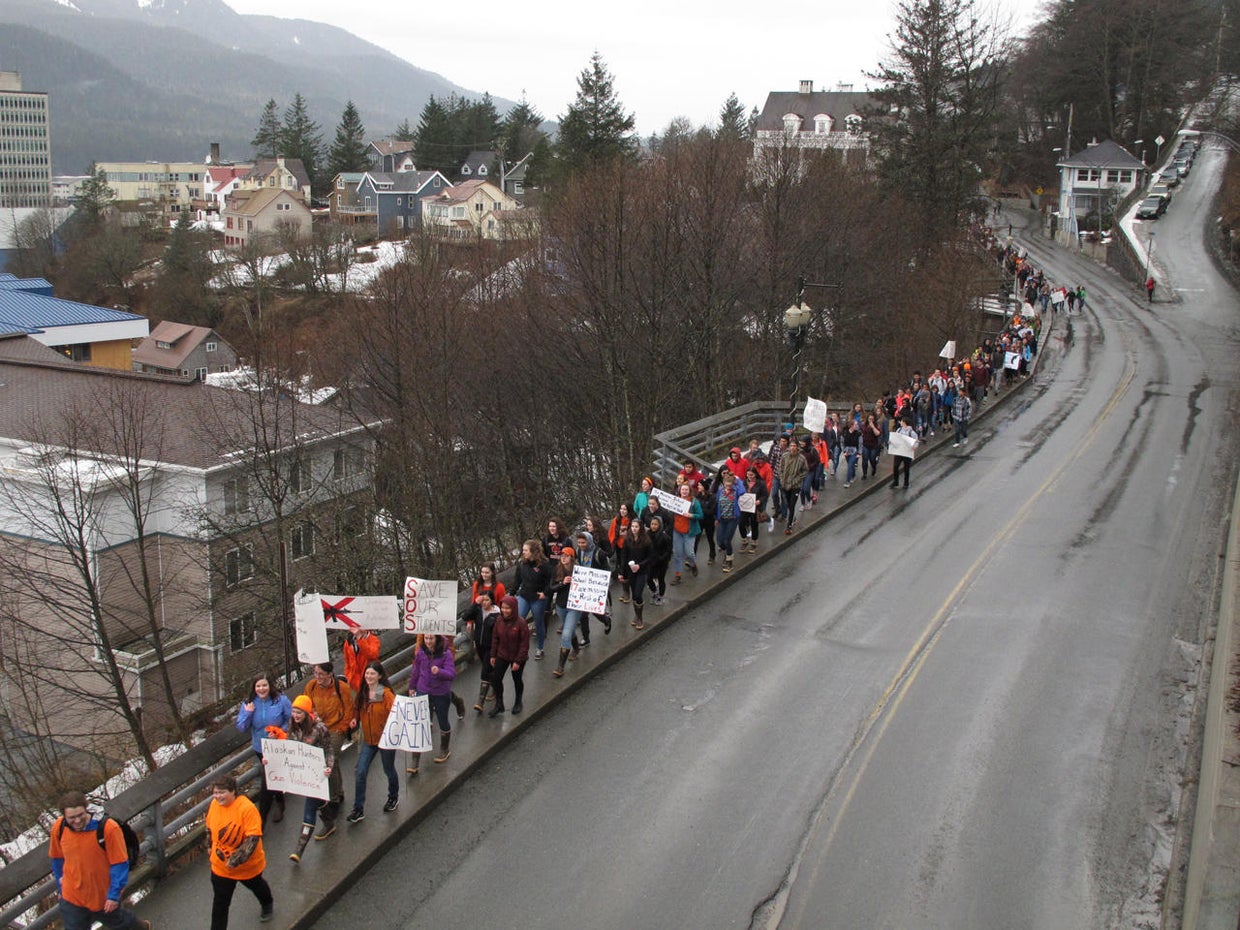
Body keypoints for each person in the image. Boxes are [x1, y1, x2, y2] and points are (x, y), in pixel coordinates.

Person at [49, 790, 151, 930]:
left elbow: (119, 863)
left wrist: (113, 896)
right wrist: (61, 888)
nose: (77, 821)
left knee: (122, 924)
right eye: (72, 817)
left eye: (80, 815)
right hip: (72, 896)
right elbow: (57, 859)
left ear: (87, 809)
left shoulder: (108, 828)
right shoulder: (59, 828)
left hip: (102, 895)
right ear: (64, 815)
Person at [204, 775, 273, 929]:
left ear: (233, 791)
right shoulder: (214, 805)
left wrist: (234, 861)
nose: (218, 796)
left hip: (246, 866)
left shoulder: (247, 809)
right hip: (220, 867)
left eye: (222, 792)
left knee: (256, 885)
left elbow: (252, 839)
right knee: (220, 903)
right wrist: (209, 845)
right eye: (215, 793)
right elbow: (209, 827)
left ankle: (267, 903)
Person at [282, 695, 336, 857]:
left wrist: (328, 767)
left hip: (316, 773)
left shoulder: (319, 729)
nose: (296, 715)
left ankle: (299, 850)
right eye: (294, 712)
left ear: (306, 713)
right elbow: (287, 747)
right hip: (302, 773)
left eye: (299, 712)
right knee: (319, 801)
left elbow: (329, 750)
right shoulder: (292, 727)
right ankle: (329, 823)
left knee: (309, 808)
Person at [235, 673, 292, 825]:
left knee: (267, 781)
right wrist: (248, 713)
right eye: (258, 686)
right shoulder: (249, 703)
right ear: (254, 688)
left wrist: (279, 731)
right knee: (273, 776)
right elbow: (241, 727)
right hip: (260, 747)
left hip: (277, 746)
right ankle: (280, 801)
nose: (262, 689)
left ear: (270, 686)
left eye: (264, 685)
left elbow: (290, 718)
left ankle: (261, 820)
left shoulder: (280, 700)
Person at [346, 661, 399, 823]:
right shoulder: (363, 693)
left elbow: (397, 714)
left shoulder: (386, 694)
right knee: (360, 772)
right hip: (369, 740)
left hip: (385, 740)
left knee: (388, 769)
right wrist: (355, 719)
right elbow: (356, 710)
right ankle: (358, 808)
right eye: (367, 673)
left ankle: (393, 796)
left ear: (380, 676)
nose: (369, 676)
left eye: (372, 674)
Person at [302, 662, 354, 824]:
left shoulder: (341, 689)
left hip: (335, 729)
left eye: (321, 674)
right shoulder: (311, 686)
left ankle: (333, 799)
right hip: (319, 729)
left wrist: (342, 729)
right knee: (332, 762)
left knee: (329, 762)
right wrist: (312, 718)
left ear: (329, 674)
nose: (317, 677)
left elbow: (349, 709)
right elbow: (306, 705)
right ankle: (338, 790)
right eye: (315, 673)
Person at [407, 634, 456, 771]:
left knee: (442, 720)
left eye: (431, 639)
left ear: (437, 639)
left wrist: (439, 672)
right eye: (426, 639)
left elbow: (451, 674)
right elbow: (416, 670)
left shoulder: (445, 654)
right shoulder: (421, 652)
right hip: (423, 691)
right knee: (420, 724)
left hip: (440, 692)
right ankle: (415, 760)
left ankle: (444, 749)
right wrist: (412, 687)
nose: (428, 642)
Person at [489, 596, 530, 716]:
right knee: (496, 678)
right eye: (503, 608)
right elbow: (495, 638)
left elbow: (524, 644)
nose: (505, 611)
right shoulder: (499, 620)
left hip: (517, 656)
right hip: (502, 654)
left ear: (514, 608)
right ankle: (499, 704)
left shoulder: (521, 623)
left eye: (508, 608)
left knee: (517, 679)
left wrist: (518, 661)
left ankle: (518, 701)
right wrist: (493, 654)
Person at [512, 539, 552, 660]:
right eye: (522, 550)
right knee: (518, 620)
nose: (523, 552)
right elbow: (517, 580)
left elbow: (550, 580)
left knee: (538, 622)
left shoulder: (544, 564)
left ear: (533, 552)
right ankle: (520, 647)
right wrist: (511, 593)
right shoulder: (521, 564)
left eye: (525, 550)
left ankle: (540, 648)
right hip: (524, 595)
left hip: (538, 597)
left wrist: (545, 593)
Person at [548, 548, 584, 678]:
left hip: (574, 607)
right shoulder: (556, 570)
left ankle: (560, 667)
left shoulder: (579, 570)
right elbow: (551, 588)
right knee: (570, 629)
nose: (563, 558)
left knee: (566, 633)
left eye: (566, 556)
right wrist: (562, 583)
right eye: (561, 556)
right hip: (561, 606)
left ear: (572, 558)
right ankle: (576, 648)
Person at [617, 520, 653, 629]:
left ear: (640, 528)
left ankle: (640, 618)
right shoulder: (627, 540)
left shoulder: (647, 541)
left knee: (638, 594)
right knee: (634, 595)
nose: (634, 529)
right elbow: (623, 556)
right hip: (630, 571)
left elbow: (650, 557)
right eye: (632, 526)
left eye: (636, 527)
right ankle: (637, 615)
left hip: (642, 571)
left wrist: (640, 566)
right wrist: (621, 572)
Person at [471, 593, 500, 711]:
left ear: (492, 601)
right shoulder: (478, 610)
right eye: (482, 600)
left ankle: (480, 702)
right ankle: (496, 687)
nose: (484, 603)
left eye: (487, 600)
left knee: (485, 671)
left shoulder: (497, 615)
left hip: (490, 647)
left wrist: (495, 651)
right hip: (479, 645)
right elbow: (465, 616)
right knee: (489, 669)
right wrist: (475, 604)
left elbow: (498, 635)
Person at [669, 481, 702, 582]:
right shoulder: (675, 500)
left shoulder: (694, 502)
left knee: (689, 552)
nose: (684, 491)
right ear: (679, 490)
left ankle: (693, 563)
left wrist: (691, 515)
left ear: (689, 491)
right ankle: (678, 574)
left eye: (686, 490)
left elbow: (700, 515)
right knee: (677, 553)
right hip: (677, 530)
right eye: (682, 489)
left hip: (689, 531)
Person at [779, 439, 808, 535]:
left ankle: (789, 526)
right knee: (787, 504)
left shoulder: (801, 458)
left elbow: (805, 471)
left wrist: (797, 479)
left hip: (795, 485)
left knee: (792, 505)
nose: (792, 448)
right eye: (791, 446)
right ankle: (793, 517)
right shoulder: (784, 456)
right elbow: (781, 469)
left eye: (794, 446)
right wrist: (782, 479)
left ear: (797, 447)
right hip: (785, 484)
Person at [737, 466, 768, 554]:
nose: (749, 477)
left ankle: (754, 543)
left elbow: (765, 495)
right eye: (748, 475)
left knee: (754, 525)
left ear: (755, 474)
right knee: (741, 523)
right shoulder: (744, 482)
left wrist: (759, 501)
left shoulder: (761, 483)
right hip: (745, 506)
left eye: (751, 475)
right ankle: (744, 540)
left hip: (755, 507)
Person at [714, 469, 741, 572]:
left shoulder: (736, 491)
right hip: (722, 519)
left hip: (732, 519)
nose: (728, 485)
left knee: (727, 540)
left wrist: (738, 480)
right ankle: (727, 552)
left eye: (730, 483)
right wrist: (716, 518)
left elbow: (742, 491)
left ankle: (729, 561)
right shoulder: (720, 491)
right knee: (720, 541)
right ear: (724, 483)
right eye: (727, 483)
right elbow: (717, 505)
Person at [341, 629, 380, 695]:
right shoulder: (349, 642)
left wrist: (360, 640)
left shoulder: (373, 639)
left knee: (376, 702)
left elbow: (373, 654)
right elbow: (347, 662)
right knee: (359, 704)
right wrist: (348, 676)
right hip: (355, 683)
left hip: (371, 681)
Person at [890, 415, 917, 489]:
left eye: (901, 421)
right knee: (895, 466)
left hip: (907, 453)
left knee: (906, 468)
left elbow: (916, 441)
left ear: (904, 422)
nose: (900, 422)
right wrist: (891, 442)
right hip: (899, 452)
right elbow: (896, 439)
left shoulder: (912, 432)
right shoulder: (899, 430)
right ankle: (896, 481)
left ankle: (906, 483)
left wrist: (914, 447)